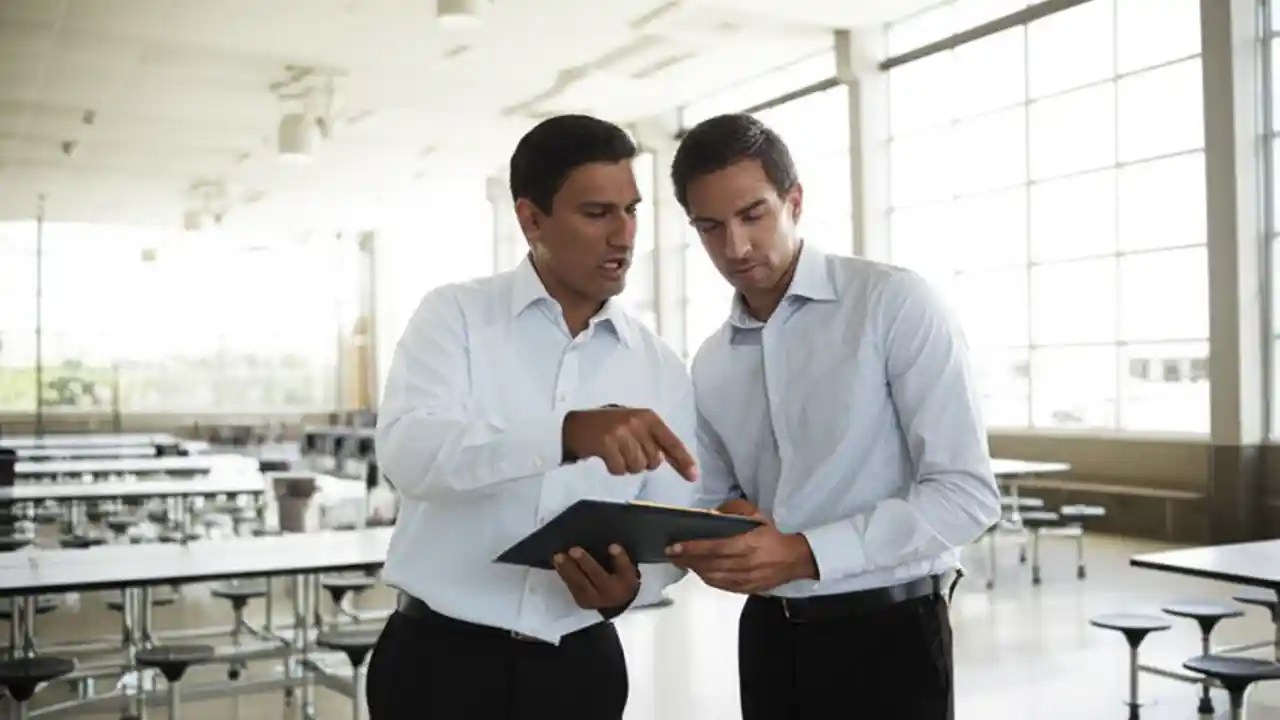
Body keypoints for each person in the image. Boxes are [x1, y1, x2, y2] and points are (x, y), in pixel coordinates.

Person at [664, 113, 1001, 720]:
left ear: (794, 201)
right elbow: (712, 499)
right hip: (768, 636)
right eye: (710, 227)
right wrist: (722, 529)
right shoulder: (711, 361)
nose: (734, 247)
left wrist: (803, 552)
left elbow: (966, 496)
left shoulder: (892, 305)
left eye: (752, 215)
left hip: (889, 634)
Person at [368, 114, 699, 720]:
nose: (623, 236)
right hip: (438, 666)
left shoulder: (659, 366)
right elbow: (410, 454)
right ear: (531, 218)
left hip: (581, 668)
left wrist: (632, 589)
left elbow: (671, 528)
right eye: (597, 213)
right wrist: (566, 433)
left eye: (631, 210)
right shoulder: (455, 317)